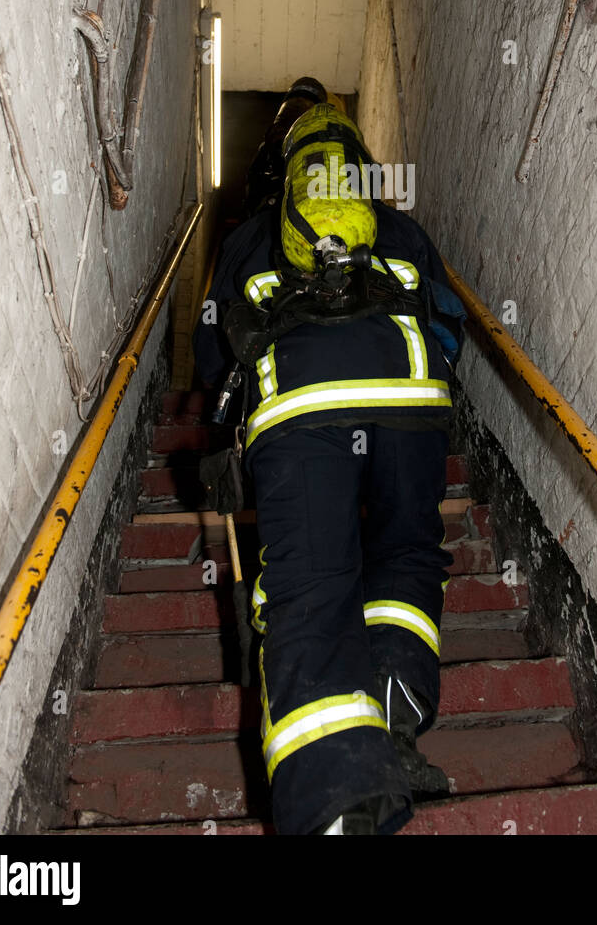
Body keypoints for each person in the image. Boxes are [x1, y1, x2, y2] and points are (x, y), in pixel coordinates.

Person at [193, 81, 464, 835]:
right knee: (407, 548)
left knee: (308, 583)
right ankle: (394, 719)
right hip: (408, 393)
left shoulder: (251, 234)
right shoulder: (393, 226)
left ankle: (338, 803)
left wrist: (224, 434)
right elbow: (447, 316)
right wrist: (428, 387)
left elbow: (215, 339)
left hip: (299, 401)